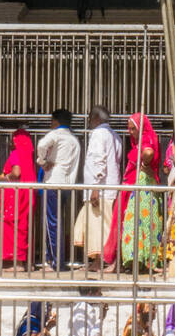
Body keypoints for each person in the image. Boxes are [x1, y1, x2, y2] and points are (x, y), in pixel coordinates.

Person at [111, 114, 163, 272]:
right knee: (135, 225)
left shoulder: (147, 138)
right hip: (138, 187)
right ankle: (137, 260)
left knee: (141, 224)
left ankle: (144, 260)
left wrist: (144, 162)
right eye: (129, 128)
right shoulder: (138, 141)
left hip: (144, 189)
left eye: (133, 128)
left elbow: (148, 152)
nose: (130, 131)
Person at [75, 106, 121, 270]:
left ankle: (102, 261)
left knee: (100, 227)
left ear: (96, 118)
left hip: (100, 189)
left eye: (90, 118)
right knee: (106, 225)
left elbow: (99, 161)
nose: (89, 122)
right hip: (109, 187)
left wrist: (95, 187)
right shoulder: (114, 135)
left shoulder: (99, 134)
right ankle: (101, 261)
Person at [38, 109, 80, 271]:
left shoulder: (56, 135)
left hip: (53, 183)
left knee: (51, 223)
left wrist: (43, 161)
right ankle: (55, 260)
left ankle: (55, 262)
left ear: (56, 122)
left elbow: (41, 145)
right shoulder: (74, 140)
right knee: (58, 222)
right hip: (66, 185)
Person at [0, 127, 36, 266]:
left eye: (12, 140)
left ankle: (18, 264)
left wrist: (3, 178)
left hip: (14, 196)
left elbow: (17, 172)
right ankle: (23, 262)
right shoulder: (28, 155)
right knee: (22, 226)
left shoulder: (16, 153)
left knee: (11, 227)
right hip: (25, 195)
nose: (10, 144)